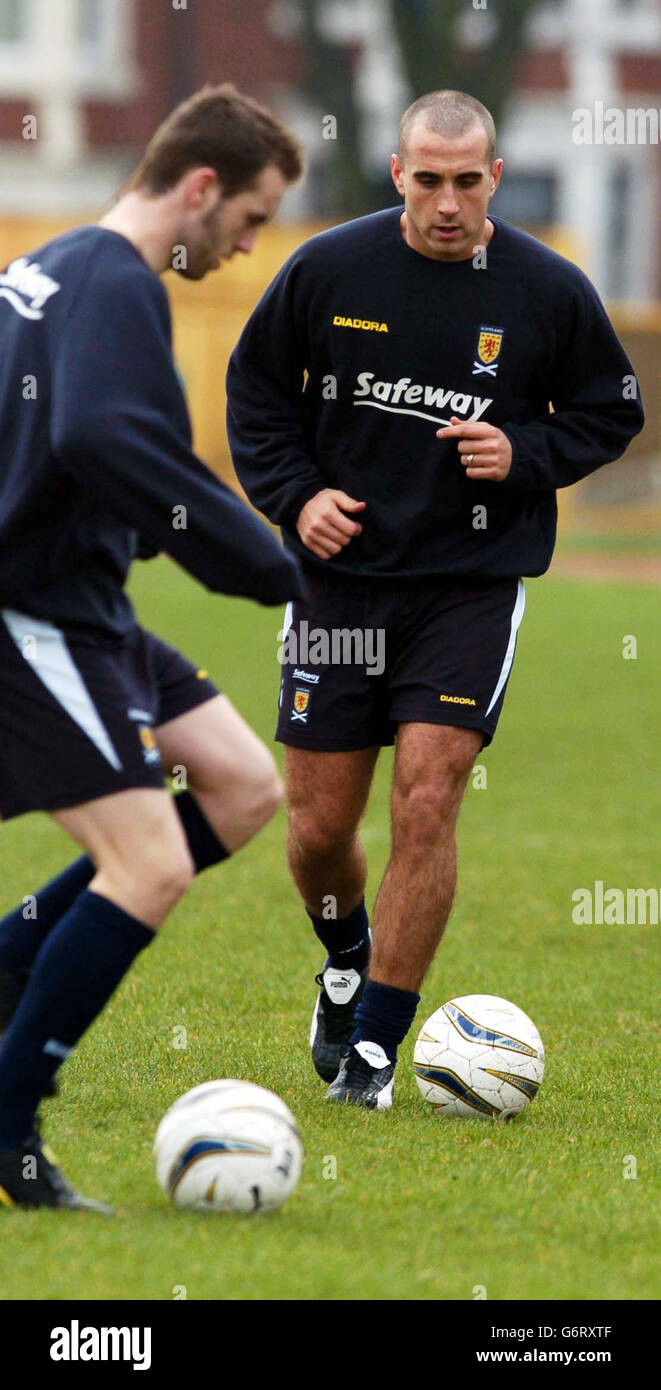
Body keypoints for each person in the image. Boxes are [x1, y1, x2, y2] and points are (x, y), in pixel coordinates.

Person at [226, 89, 645, 1111]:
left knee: (427, 792)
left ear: (493, 179)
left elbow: (612, 409)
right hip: (340, 586)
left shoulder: (548, 290)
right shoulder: (329, 270)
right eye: (428, 180)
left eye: (468, 181)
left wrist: (526, 453)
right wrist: (297, 497)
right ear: (397, 174)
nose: (447, 202)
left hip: (468, 585)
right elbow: (256, 396)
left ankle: (373, 1047)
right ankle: (343, 955)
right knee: (320, 826)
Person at [0, 84, 304, 1210]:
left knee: (235, 783)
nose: (245, 245)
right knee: (151, 864)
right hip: (30, 609)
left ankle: (8, 960)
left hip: (85, 602)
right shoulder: (118, 279)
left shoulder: (62, 262)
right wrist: (270, 567)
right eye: (251, 217)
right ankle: (5, 1134)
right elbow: (99, 433)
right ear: (199, 186)